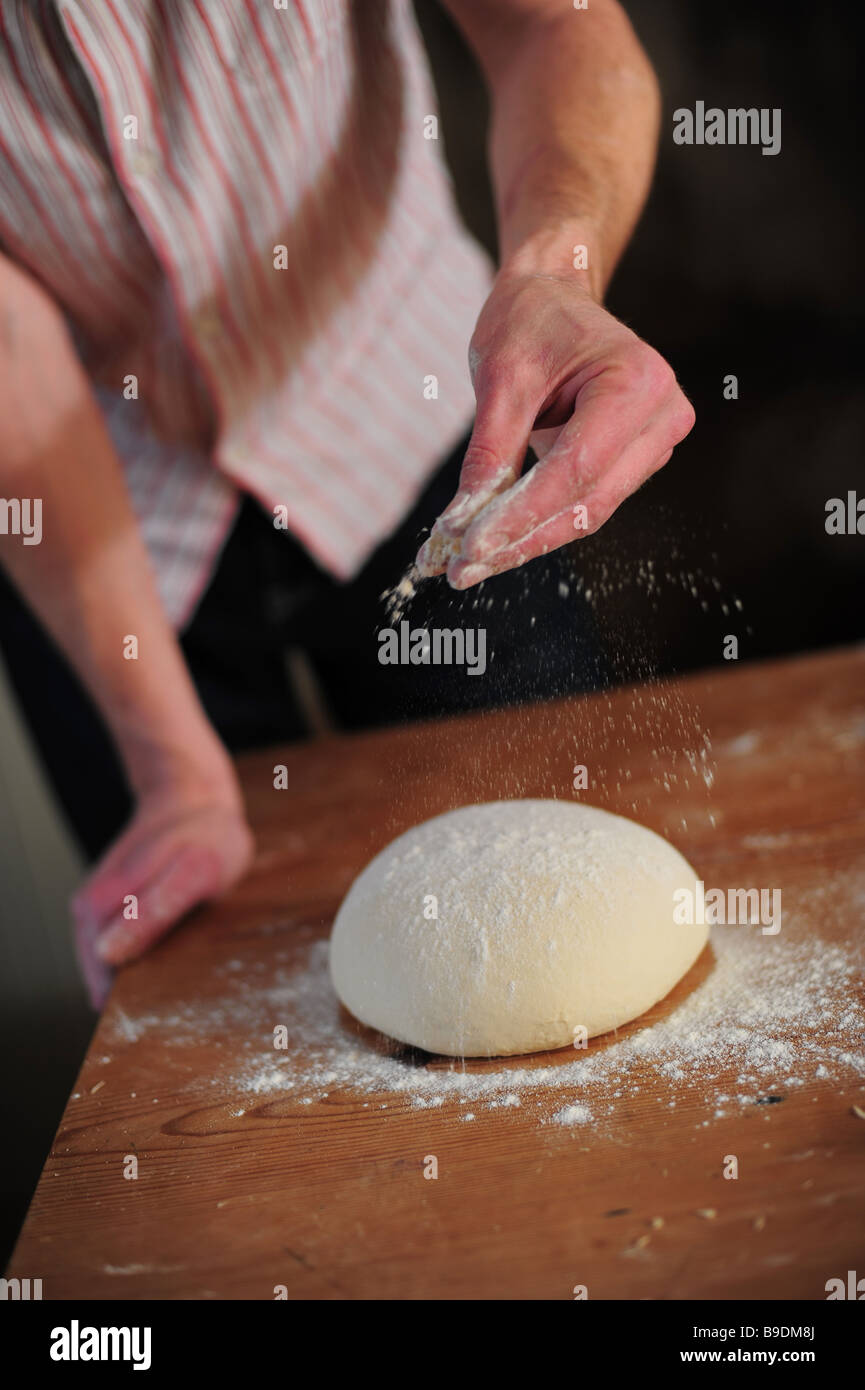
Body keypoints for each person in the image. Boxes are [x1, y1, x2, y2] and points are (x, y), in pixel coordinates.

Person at [0, 0, 694, 1007]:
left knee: (566, 884)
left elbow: (554, 25)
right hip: (86, 522)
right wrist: (170, 768)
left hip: (427, 433)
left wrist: (554, 276)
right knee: (211, 998)